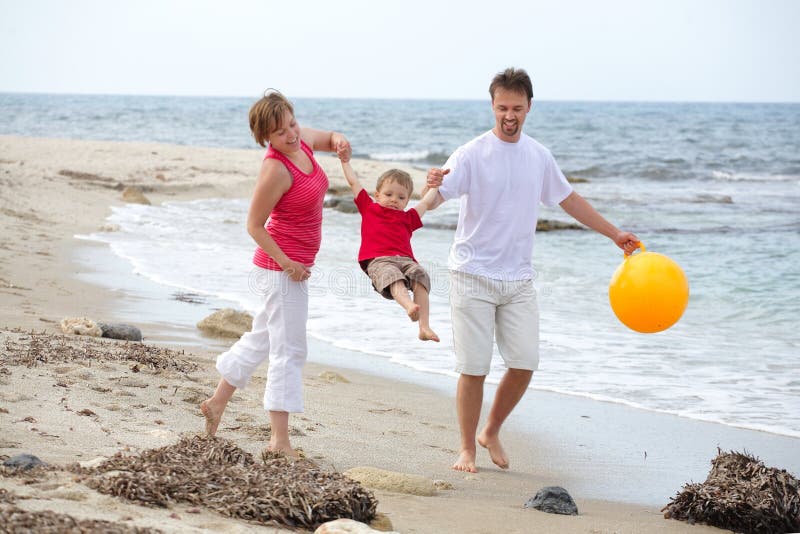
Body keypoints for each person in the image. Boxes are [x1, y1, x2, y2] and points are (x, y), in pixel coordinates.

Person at [423, 68, 639, 473]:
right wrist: (430, 186)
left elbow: (569, 200)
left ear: (529, 108)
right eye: (503, 107)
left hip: (518, 279)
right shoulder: (470, 153)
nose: (510, 115)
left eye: (517, 108)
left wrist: (613, 233)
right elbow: (434, 198)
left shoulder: (538, 156)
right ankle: (467, 449)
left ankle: (491, 430)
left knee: (524, 363)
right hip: (472, 275)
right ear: (492, 106)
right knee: (474, 367)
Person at [200, 90, 351, 457]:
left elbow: (326, 138)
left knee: (262, 339)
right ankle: (279, 441)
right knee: (289, 350)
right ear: (265, 137)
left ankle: (216, 403)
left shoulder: (302, 143)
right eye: (281, 132)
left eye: (293, 124)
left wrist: (339, 141)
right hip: (282, 272)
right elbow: (254, 225)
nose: (293, 134)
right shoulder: (275, 168)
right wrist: (287, 263)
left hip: (292, 270)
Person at [339, 156, 440, 342]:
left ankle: (424, 327)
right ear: (377, 195)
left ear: (407, 200)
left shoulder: (408, 217)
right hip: (379, 260)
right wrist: (345, 161)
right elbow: (353, 182)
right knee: (392, 275)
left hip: (406, 260)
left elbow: (425, 203)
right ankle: (409, 305)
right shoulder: (369, 208)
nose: (394, 200)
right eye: (388, 195)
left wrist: (435, 186)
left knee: (421, 275)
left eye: (401, 197)